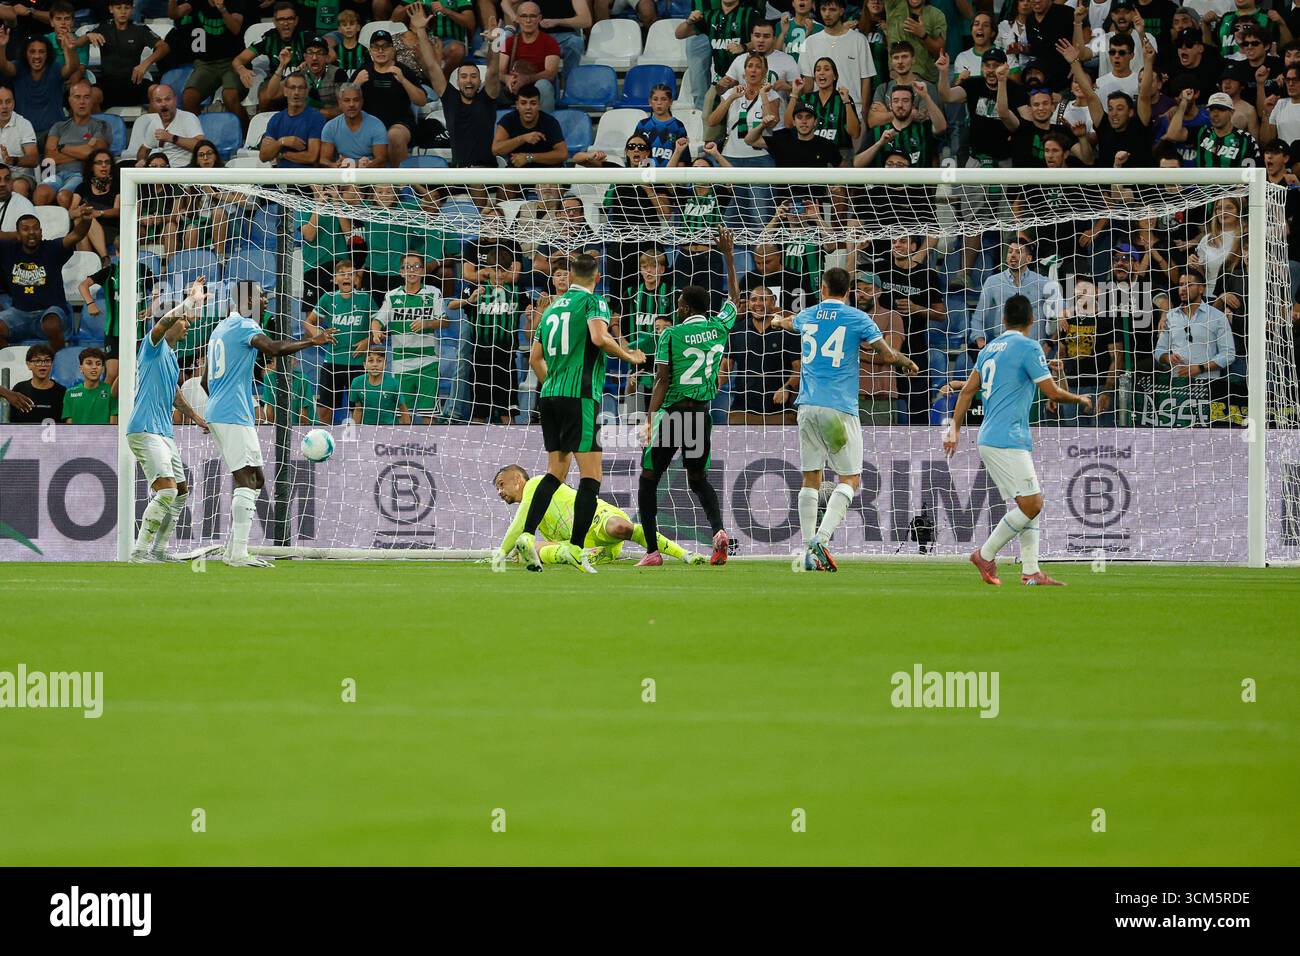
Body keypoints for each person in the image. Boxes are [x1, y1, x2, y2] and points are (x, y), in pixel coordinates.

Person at [769, 266, 918, 571]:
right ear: (848, 291)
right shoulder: (857, 318)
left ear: (822, 289)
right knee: (849, 478)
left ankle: (807, 550)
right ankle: (820, 541)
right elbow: (888, 355)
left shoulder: (808, 315)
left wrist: (774, 320)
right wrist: (906, 362)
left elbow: (788, 322)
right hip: (838, 408)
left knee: (811, 478)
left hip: (807, 407)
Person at [944, 294, 1092, 587]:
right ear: (1032, 320)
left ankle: (1031, 570)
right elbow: (1052, 392)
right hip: (1006, 438)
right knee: (1032, 503)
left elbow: (966, 391)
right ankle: (985, 554)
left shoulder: (990, 349)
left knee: (1029, 501)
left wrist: (954, 429)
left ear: (1003, 320)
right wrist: (1079, 398)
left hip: (993, 436)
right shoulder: (1028, 346)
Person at [517, 253, 645, 573]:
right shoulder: (595, 302)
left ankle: (526, 535)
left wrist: (555, 385)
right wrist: (629, 356)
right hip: (581, 397)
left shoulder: (550, 309)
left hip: (549, 396)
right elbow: (599, 338)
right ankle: (575, 548)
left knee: (555, 474)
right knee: (591, 477)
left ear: (570, 276)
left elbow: (535, 359)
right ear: (597, 277)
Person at [204, 281, 334, 567]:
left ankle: (232, 550)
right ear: (248, 299)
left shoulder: (220, 328)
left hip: (222, 410)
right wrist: (312, 341)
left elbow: (205, 381)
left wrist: (213, 410)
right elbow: (273, 348)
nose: (266, 302)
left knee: (256, 478)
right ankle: (238, 554)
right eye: (262, 296)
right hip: (232, 412)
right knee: (248, 479)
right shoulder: (246, 326)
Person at [637, 237, 739, 568]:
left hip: (673, 415)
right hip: (700, 417)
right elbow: (735, 300)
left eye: (679, 303)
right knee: (698, 480)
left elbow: (663, 380)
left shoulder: (671, 334)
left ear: (682, 308)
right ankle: (719, 531)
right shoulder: (718, 327)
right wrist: (728, 255)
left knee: (649, 478)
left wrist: (650, 419)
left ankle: (652, 551)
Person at [125, 278, 209, 562]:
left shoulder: (171, 358)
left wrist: (197, 417)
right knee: (167, 492)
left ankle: (159, 550)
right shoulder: (152, 347)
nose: (188, 325)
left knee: (181, 493)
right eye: (185, 320)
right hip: (145, 429)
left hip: (163, 433)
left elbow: (174, 395)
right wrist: (190, 300)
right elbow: (162, 323)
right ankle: (138, 552)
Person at [490, 464, 705, 569]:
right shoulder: (534, 512)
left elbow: (519, 527)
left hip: (596, 518)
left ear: (518, 479)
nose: (500, 492)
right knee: (524, 550)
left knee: (619, 528)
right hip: (584, 544)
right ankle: (585, 554)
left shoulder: (536, 484)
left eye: (502, 485)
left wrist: (500, 554)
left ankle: (685, 554)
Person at [0, 207, 93, 351]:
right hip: (19, 313)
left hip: (51, 311)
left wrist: (86, 221)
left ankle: (59, 362)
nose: (31, 232)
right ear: (17, 234)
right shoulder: (8, 250)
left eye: (36, 229)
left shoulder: (52, 248)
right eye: (25, 229)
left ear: (41, 232)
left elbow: (75, 235)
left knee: (51, 325)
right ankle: (7, 366)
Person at [372, 250, 448, 423]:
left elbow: (445, 321)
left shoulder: (433, 292)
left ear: (422, 271)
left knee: (428, 414)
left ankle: (431, 449)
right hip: (401, 362)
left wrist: (427, 323)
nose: (412, 270)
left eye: (416, 267)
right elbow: (377, 320)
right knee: (402, 414)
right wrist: (376, 331)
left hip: (428, 360)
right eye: (407, 267)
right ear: (401, 272)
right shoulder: (392, 296)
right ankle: (405, 448)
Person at [305, 259, 374, 425]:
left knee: (358, 407)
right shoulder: (328, 298)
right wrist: (320, 335)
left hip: (357, 362)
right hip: (333, 361)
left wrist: (368, 341)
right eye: (342, 274)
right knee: (324, 408)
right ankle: (324, 440)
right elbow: (308, 322)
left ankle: (358, 442)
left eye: (350, 274)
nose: (347, 277)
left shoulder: (365, 299)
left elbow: (379, 326)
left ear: (356, 279)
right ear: (335, 278)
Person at [180, 0, 252, 130]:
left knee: (230, 97)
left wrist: (223, 9)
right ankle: (200, 138)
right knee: (188, 98)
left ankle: (246, 137)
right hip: (206, 63)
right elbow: (175, 14)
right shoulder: (197, 3)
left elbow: (236, 28)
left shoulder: (236, 3)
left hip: (233, 61)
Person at [37, 79, 108, 208]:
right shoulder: (58, 127)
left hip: (81, 175)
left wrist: (61, 148)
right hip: (54, 174)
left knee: (64, 196)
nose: (82, 102)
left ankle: (69, 227)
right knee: (40, 193)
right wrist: (82, 151)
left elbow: (93, 154)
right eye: (77, 97)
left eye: (86, 97)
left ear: (92, 101)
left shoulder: (101, 126)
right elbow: (49, 158)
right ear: (70, 100)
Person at [85, 0, 168, 111]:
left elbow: (164, 47)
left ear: (132, 9)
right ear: (111, 9)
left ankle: (150, 127)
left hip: (134, 82)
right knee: (89, 97)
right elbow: (80, 42)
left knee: (158, 93)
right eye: (119, 8)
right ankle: (98, 128)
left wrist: (146, 63)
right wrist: (89, 35)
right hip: (108, 84)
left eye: (127, 8)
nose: (123, 12)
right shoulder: (103, 28)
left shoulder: (140, 29)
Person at [259, 70, 325, 167]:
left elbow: (311, 157)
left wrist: (281, 154)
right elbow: (263, 156)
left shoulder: (316, 118)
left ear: (307, 92)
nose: (296, 92)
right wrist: (282, 142)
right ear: (285, 91)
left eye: (301, 88)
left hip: (306, 179)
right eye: (292, 88)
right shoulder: (276, 119)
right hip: (281, 178)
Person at [128, 83, 204, 167]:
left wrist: (171, 138)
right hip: (163, 171)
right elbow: (145, 149)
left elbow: (201, 146)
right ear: (153, 104)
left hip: (186, 171)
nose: (163, 104)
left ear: (175, 100)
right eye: (158, 101)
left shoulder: (188, 118)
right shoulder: (155, 122)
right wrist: (142, 160)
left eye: (167, 99)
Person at [320, 84, 389, 167]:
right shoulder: (330, 127)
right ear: (340, 103)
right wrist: (334, 165)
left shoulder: (377, 125)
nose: (351, 104)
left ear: (362, 102)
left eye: (356, 100)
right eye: (347, 100)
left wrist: (363, 166)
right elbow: (323, 160)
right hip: (342, 173)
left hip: (369, 173)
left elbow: (381, 159)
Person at [349, 348, 411, 425]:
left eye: (379, 361)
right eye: (371, 361)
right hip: (367, 429)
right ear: (365, 365)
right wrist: (355, 431)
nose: (375, 364)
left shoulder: (394, 383)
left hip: (390, 429)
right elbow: (358, 409)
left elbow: (403, 409)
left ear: (385, 365)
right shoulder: (357, 382)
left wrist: (407, 433)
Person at [4, 342, 62, 423]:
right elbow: (12, 422)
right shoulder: (19, 388)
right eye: (37, 361)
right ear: (28, 364)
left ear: (52, 364)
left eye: (47, 360)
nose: (43, 364)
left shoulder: (61, 391)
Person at [0, 87, 39, 199]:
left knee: (18, 186)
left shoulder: (24, 124)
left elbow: (34, 159)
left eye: (8, 101)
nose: (4, 106)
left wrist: (12, 160)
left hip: (20, 176)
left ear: (13, 103)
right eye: (0, 102)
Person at [61, 346, 116, 423]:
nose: (94, 367)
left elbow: (113, 428)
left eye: (98, 364)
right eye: (89, 363)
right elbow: (70, 428)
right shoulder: (70, 394)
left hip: (104, 435)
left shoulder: (111, 392)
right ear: (81, 368)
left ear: (103, 369)